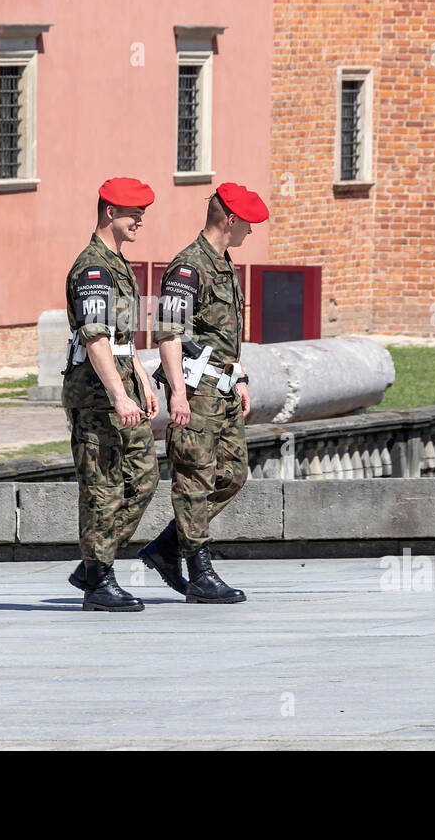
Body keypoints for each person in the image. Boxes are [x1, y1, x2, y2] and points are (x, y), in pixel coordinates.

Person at [143, 182, 269, 603]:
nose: (250, 233)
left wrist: (243, 376)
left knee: (232, 473)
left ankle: (165, 548)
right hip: (197, 392)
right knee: (194, 478)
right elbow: (168, 333)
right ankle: (199, 572)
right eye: (247, 225)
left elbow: (224, 333)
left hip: (226, 387)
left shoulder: (224, 263)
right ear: (230, 221)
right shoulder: (187, 268)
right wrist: (177, 393)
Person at [62, 177, 161, 611]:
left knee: (143, 478)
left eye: (141, 212)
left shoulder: (118, 264)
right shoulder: (93, 269)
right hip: (97, 398)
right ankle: (99, 582)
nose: (141, 219)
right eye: (133, 212)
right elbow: (96, 338)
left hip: (123, 391)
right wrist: (120, 395)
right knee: (102, 488)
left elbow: (122, 339)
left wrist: (141, 379)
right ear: (109, 213)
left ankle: (92, 563)